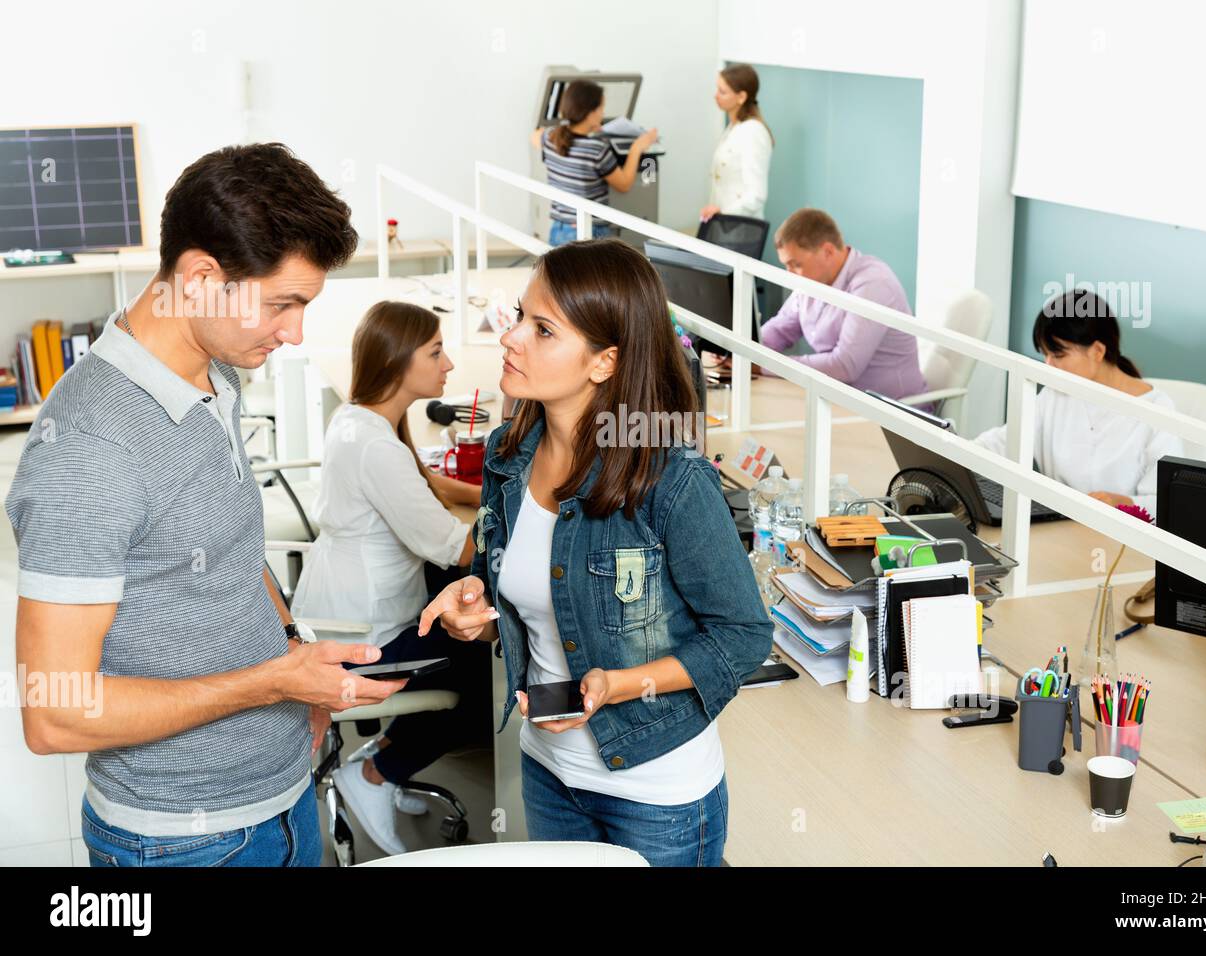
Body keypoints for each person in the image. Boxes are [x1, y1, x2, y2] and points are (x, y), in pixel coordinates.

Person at [6, 143, 405, 867]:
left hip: (285, 794)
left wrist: (292, 653)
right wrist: (271, 683)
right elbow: (55, 715)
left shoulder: (216, 370)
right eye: (282, 305)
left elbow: (231, 547)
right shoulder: (88, 448)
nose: (295, 332)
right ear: (199, 279)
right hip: (185, 841)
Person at [419, 238, 771, 866]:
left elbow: (744, 637)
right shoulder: (507, 454)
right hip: (549, 772)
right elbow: (504, 595)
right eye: (520, 316)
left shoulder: (671, 479)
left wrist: (618, 685)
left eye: (543, 329)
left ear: (604, 362)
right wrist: (472, 608)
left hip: (656, 791)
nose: (511, 338)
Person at [289, 300, 491, 856]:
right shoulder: (379, 447)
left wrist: (495, 493)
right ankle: (378, 773)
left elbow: (431, 484)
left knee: (462, 633)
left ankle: (382, 759)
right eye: (436, 352)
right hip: (365, 635)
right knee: (486, 671)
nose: (449, 364)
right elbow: (456, 547)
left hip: (337, 606)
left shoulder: (360, 418)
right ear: (400, 362)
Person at [974, 290, 1184, 515]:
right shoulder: (1054, 395)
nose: (1048, 365)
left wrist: (1123, 502)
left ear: (1097, 351)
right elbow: (1003, 441)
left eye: (1058, 355)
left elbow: (1166, 503)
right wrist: (953, 448)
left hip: (1118, 531)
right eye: (1045, 354)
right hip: (1058, 525)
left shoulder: (1157, 409)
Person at [759, 208, 928, 400]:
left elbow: (845, 366)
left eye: (796, 264)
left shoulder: (873, 283)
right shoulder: (811, 282)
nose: (789, 273)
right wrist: (742, 350)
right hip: (843, 401)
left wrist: (765, 365)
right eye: (786, 265)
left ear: (828, 251)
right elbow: (779, 330)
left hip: (890, 411)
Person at [531, 79, 658, 246]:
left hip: (558, 229)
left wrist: (587, 128)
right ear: (590, 113)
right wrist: (637, 148)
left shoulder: (550, 138)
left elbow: (535, 135)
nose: (602, 114)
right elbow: (624, 184)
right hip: (590, 232)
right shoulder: (596, 149)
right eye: (601, 108)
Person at [700, 63, 774, 222]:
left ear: (741, 97)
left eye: (722, 92)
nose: (716, 96)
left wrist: (723, 212)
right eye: (717, 89)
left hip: (740, 225)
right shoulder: (733, 127)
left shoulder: (753, 132)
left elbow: (756, 195)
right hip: (723, 223)